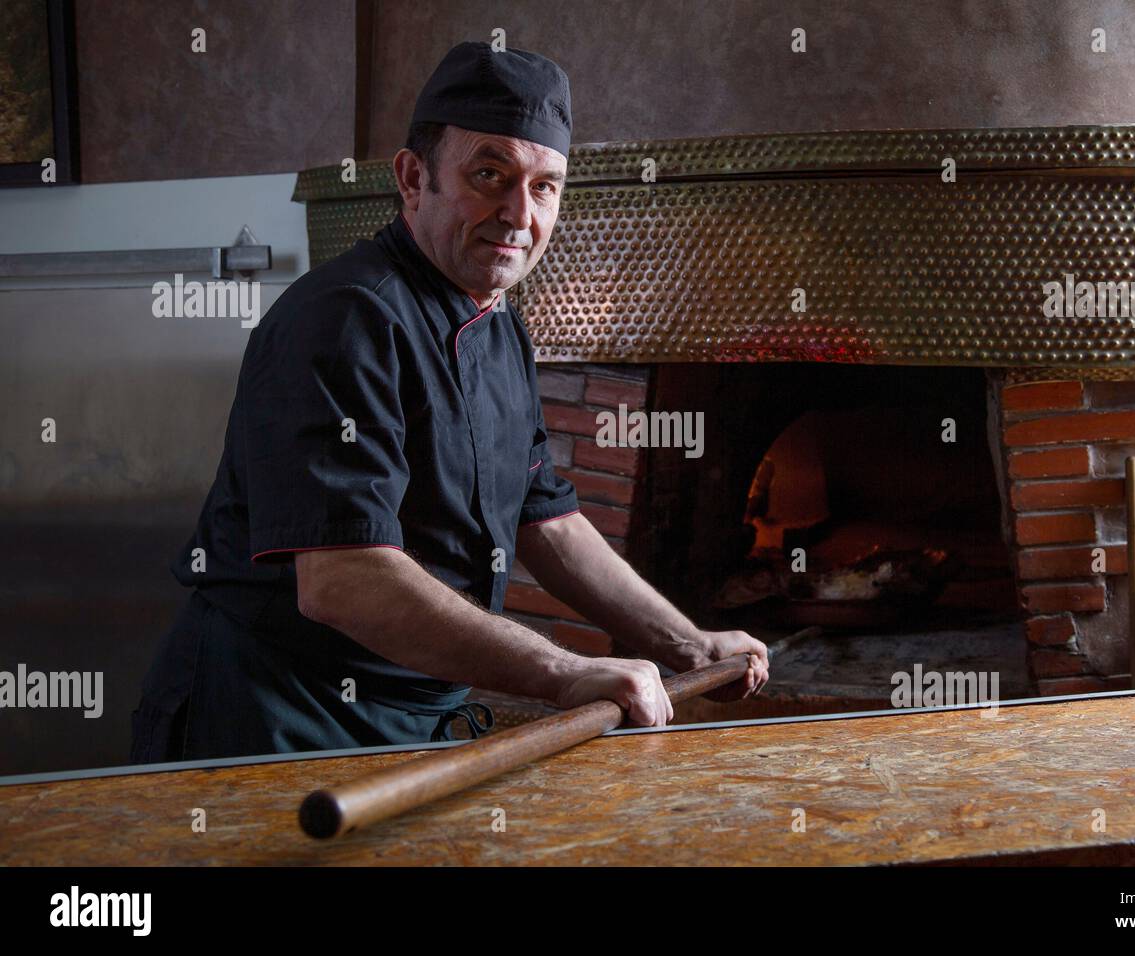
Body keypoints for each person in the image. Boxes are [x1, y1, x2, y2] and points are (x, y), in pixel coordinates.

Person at [130, 41, 769, 763]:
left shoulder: (498, 325)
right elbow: (342, 576)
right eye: (489, 174)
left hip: (414, 717)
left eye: (545, 186)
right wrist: (565, 672)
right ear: (413, 178)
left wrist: (688, 641)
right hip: (275, 713)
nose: (518, 215)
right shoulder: (345, 320)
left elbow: (545, 519)